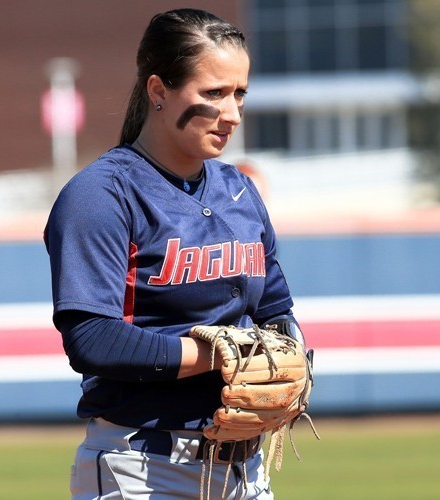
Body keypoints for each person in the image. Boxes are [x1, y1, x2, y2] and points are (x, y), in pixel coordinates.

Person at [44, 8, 305, 499]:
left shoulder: (239, 191)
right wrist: (217, 353)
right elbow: (92, 339)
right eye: (214, 93)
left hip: (245, 472)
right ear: (158, 90)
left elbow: (276, 310)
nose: (232, 113)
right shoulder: (103, 195)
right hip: (143, 468)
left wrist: (291, 357)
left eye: (239, 94)